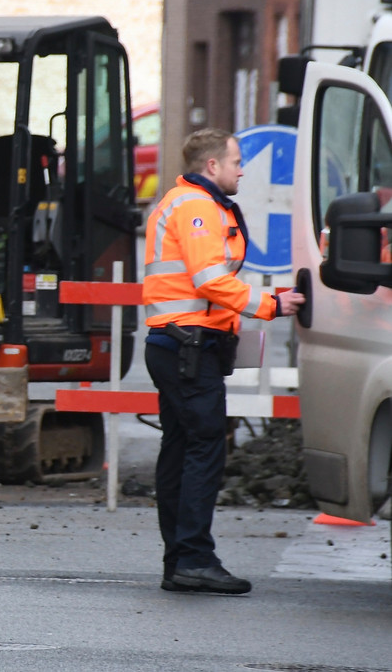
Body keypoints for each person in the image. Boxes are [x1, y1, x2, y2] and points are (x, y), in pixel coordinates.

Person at [142, 128, 304, 595]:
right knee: (204, 447)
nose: (242, 169)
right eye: (236, 162)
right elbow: (211, 279)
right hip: (189, 348)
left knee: (180, 447)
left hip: (175, 345)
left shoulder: (184, 201)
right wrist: (271, 304)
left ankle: (180, 560)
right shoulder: (196, 207)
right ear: (212, 166)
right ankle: (193, 558)